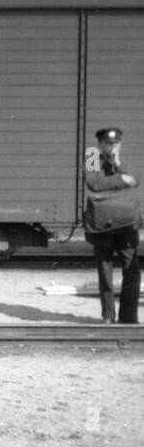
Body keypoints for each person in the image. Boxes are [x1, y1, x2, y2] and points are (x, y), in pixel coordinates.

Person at [84, 126, 140, 325]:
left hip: (126, 224)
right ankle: (108, 315)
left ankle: (129, 316)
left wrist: (117, 164)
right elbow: (94, 183)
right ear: (99, 144)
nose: (112, 147)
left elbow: (135, 180)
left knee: (132, 270)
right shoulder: (92, 156)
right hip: (103, 225)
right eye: (108, 143)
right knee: (105, 271)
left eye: (115, 143)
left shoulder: (125, 158)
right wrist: (121, 179)